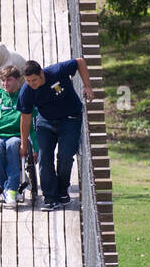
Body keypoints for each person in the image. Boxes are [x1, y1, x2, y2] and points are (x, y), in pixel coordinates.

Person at [17, 57, 94, 211]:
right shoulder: (26, 91)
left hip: (70, 118)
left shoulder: (57, 71)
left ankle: (62, 189)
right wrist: (24, 144)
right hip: (45, 122)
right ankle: (50, 198)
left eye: (33, 80)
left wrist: (87, 86)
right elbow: (25, 119)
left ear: (41, 74)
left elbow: (80, 61)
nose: (31, 84)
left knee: (65, 156)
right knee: (45, 157)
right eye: (28, 81)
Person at [0, 64, 38, 208]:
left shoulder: (25, 96)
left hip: (16, 135)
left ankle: (9, 189)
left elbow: (32, 126)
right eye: (2, 80)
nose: (5, 84)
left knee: (12, 145)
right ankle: (9, 189)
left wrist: (35, 147)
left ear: (17, 80)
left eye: (8, 80)